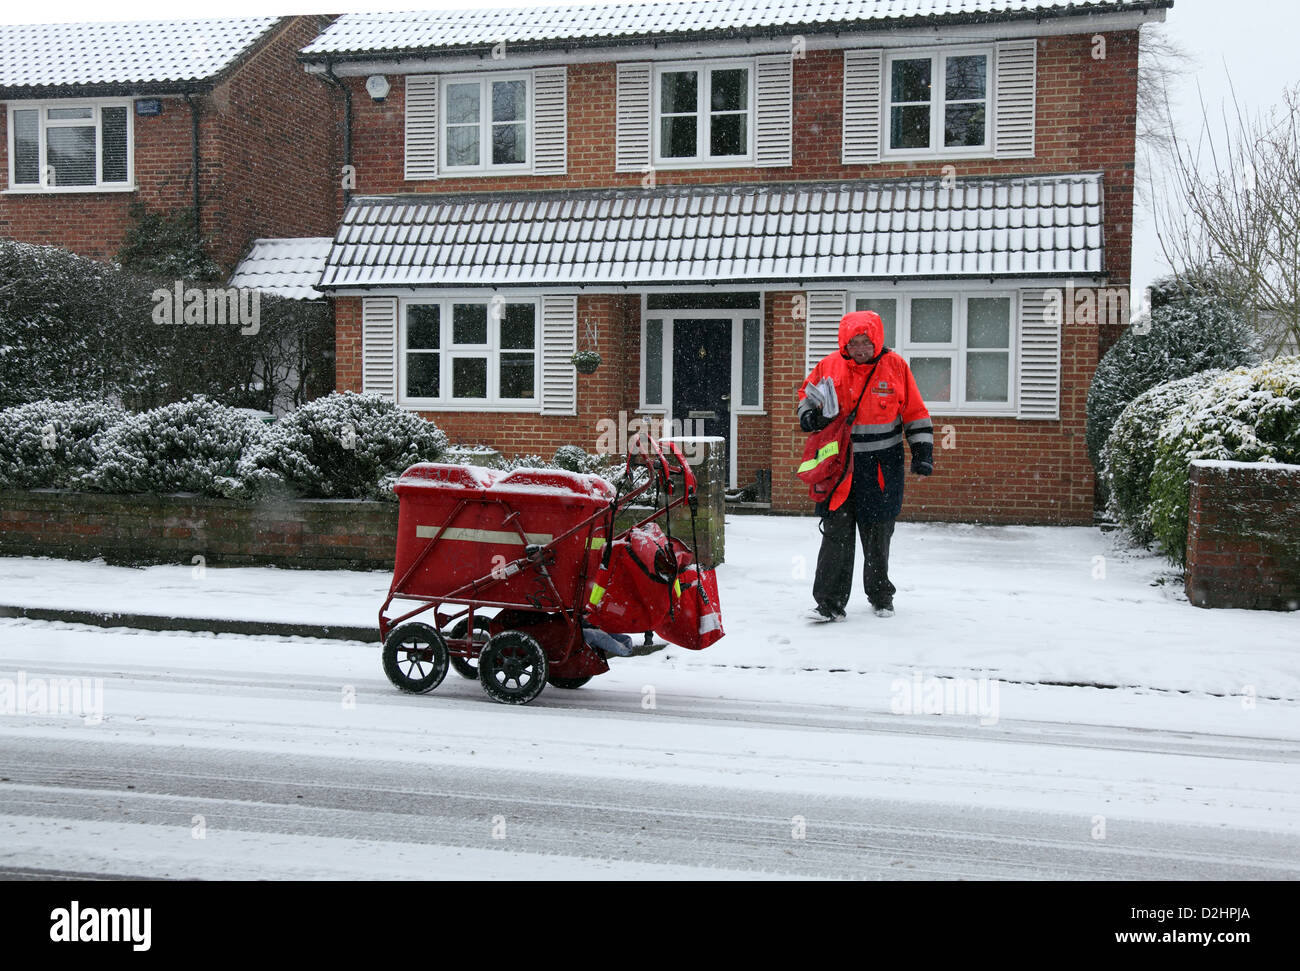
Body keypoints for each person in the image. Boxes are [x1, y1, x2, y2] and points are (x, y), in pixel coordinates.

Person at [797, 310, 933, 620]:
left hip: (882, 466)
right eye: (854, 343)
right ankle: (829, 604)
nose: (860, 349)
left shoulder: (896, 367)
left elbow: (915, 412)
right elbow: (806, 396)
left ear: (877, 342)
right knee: (835, 534)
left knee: (878, 533)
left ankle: (881, 595)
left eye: (866, 343)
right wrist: (809, 415)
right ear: (845, 343)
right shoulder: (828, 365)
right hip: (839, 466)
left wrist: (922, 452)